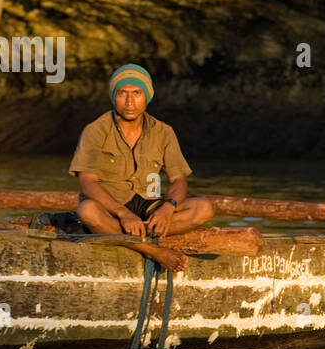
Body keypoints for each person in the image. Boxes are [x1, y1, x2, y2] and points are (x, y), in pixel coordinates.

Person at [69, 64, 215, 237]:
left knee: (204, 209)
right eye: (122, 93)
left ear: (147, 96)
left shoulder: (163, 132)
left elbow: (178, 179)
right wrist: (123, 213)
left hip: (151, 206)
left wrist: (168, 208)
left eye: (137, 93)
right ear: (114, 97)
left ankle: (128, 235)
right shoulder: (95, 130)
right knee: (87, 211)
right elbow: (87, 182)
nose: (129, 102)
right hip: (111, 209)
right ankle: (151, 247)